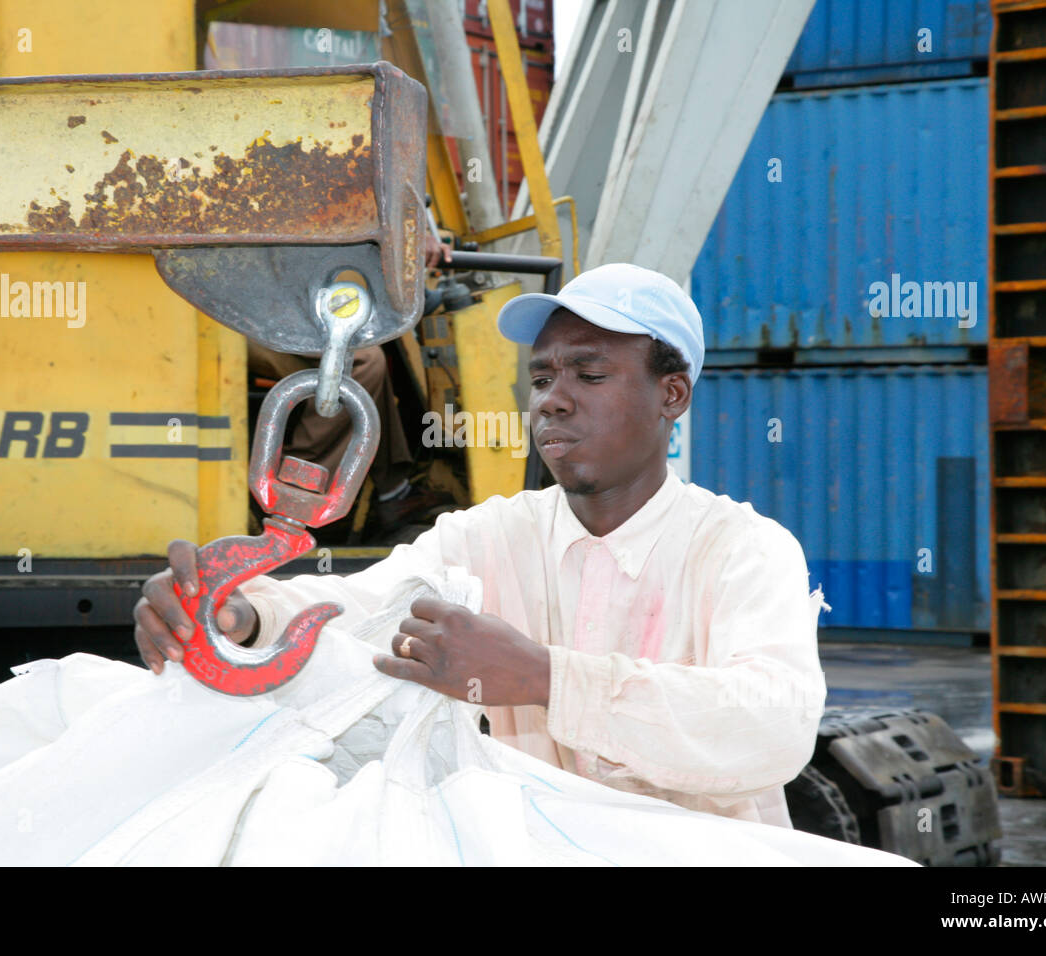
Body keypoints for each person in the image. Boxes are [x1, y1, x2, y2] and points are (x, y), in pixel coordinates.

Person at [134, 262, 828, 828]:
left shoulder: (741, 550)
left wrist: (543, 678)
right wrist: (244, 616)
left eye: (589, 375)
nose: (553, 400)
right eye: (542, 378)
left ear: (671, 395)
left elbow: (773, 726)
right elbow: (358, 605)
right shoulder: (487, 536)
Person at [245, 231, 455, 532]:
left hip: (274, 298)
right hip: (238, 313)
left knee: (371, 353)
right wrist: (408, 231)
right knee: (363, 360)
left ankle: (393, 491)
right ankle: (289, 490)